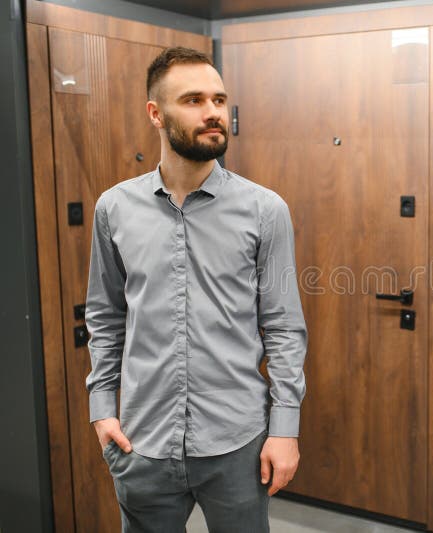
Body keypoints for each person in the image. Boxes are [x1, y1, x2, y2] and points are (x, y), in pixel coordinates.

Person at [84, 46, 307, 533]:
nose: (212, 112)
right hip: (141, 442)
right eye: (192, 100)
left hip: (238, 442)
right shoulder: (114, 209)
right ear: (155, 113)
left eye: (218, 99)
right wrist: (102, 411)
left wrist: (285, 429)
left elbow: (284, 327)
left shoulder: (265, 210)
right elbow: (104, 316)